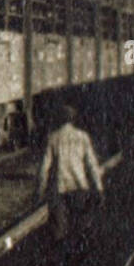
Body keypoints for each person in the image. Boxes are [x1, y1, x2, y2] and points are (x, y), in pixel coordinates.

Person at [34, 104, 105, 243]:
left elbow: (43, 168)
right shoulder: (83, 137)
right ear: (73, 119)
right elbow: (92, 166)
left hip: (59, 191)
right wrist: (99, 188)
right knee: (80, 229)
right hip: (79, 188)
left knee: (59, 232)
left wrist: (39, 191)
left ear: (59, 120)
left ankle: (62, 257)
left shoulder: (52, 138)